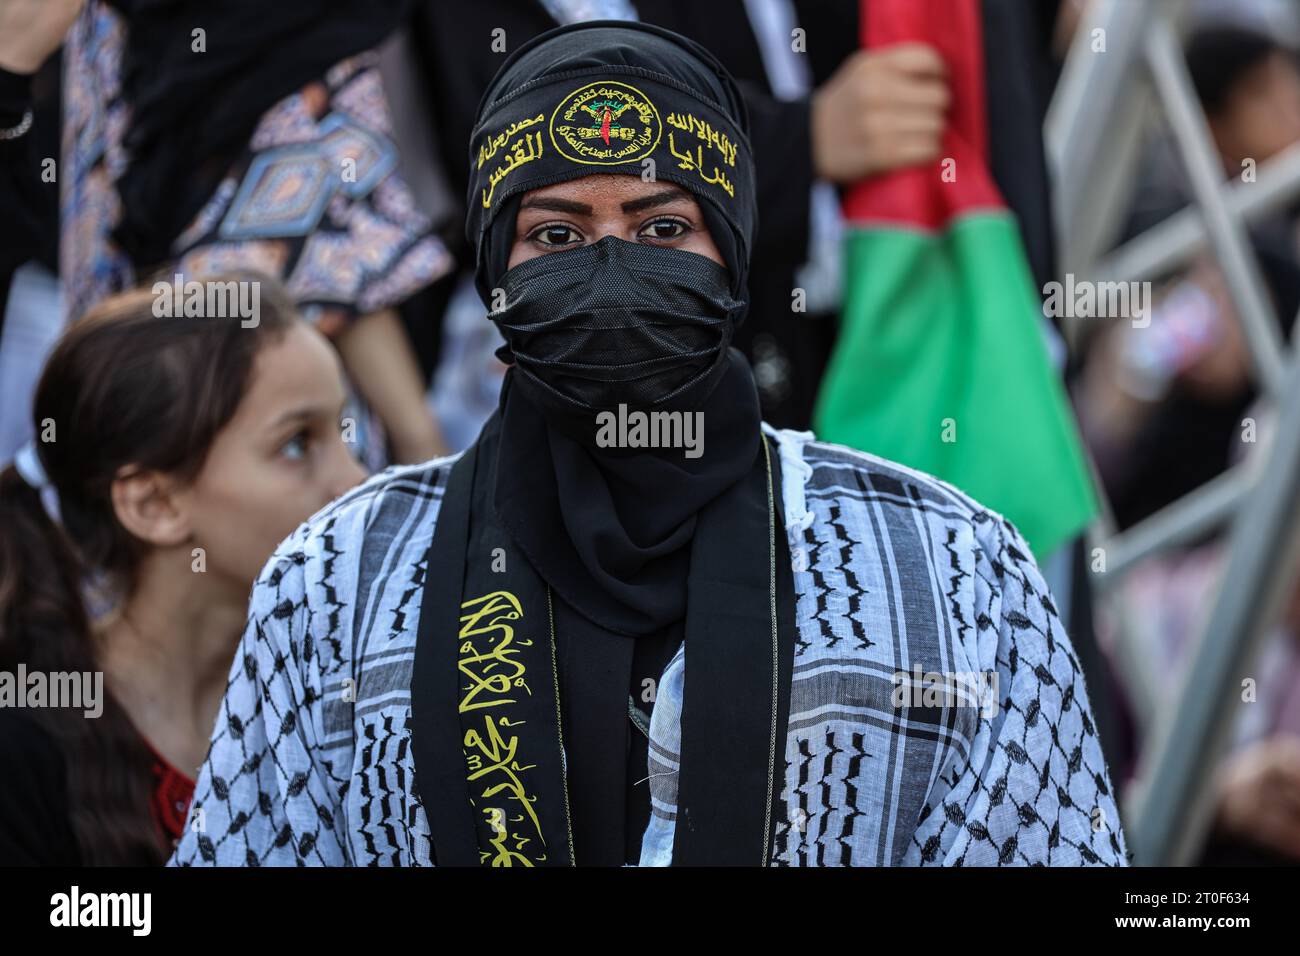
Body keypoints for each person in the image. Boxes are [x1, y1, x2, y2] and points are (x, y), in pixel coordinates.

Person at [171, 21, 1125, 867]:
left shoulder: (946, 568)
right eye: (557, 233)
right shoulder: (338, 581)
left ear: (735, 254)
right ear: (493, 265)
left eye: (664, 226)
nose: (612, 268)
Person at [0, 277, 366, 865]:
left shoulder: (348, 703)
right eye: (298, 444)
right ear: (155, 505)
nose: (356, 483)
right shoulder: (26, 754)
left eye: (344, 433)